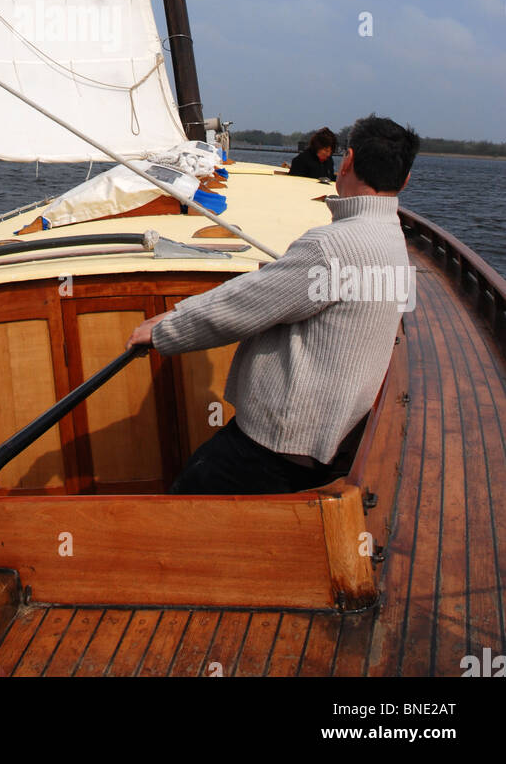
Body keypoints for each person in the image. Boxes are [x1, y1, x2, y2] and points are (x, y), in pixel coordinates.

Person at [127, 114, 420, 494]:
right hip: (332, 443)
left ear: (346, 161)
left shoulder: (329, 247)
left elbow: (242, 308)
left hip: (280, 446)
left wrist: (165, 329)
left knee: (185, 498)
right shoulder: (394, 239)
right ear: (405, 180)